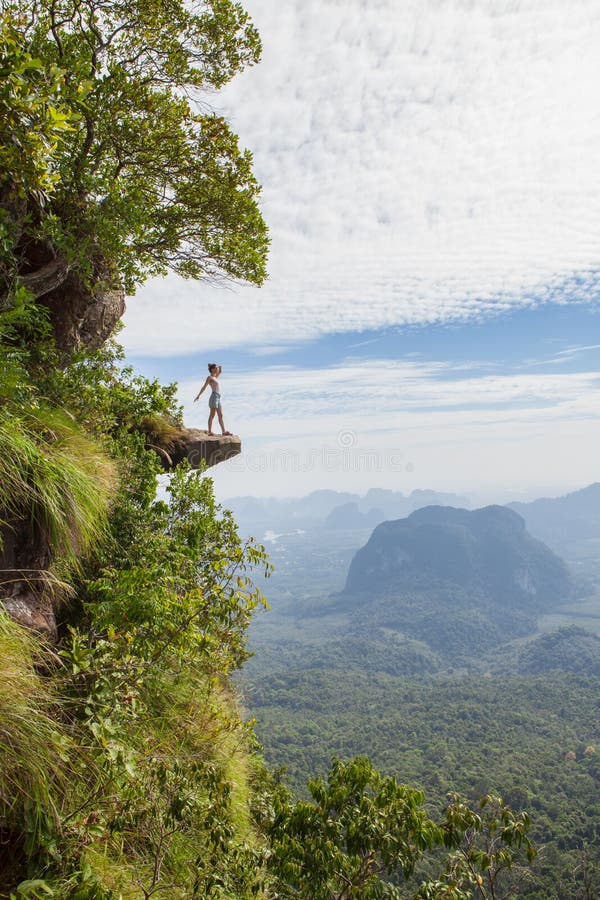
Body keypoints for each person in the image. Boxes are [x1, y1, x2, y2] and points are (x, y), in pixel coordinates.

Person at [194, 363, 233, 436]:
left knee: (220, 415)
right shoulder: (210, 377)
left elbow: (220, 371)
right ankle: (210, 431)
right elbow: (204, 387)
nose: (216, 369)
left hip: (218, 397)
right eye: (215, 368)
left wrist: (219, 367)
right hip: (214, 396)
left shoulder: (215, 377)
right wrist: (198, 395)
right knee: (212, 415)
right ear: (212, 369)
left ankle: (224, 432)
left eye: (216, 368)